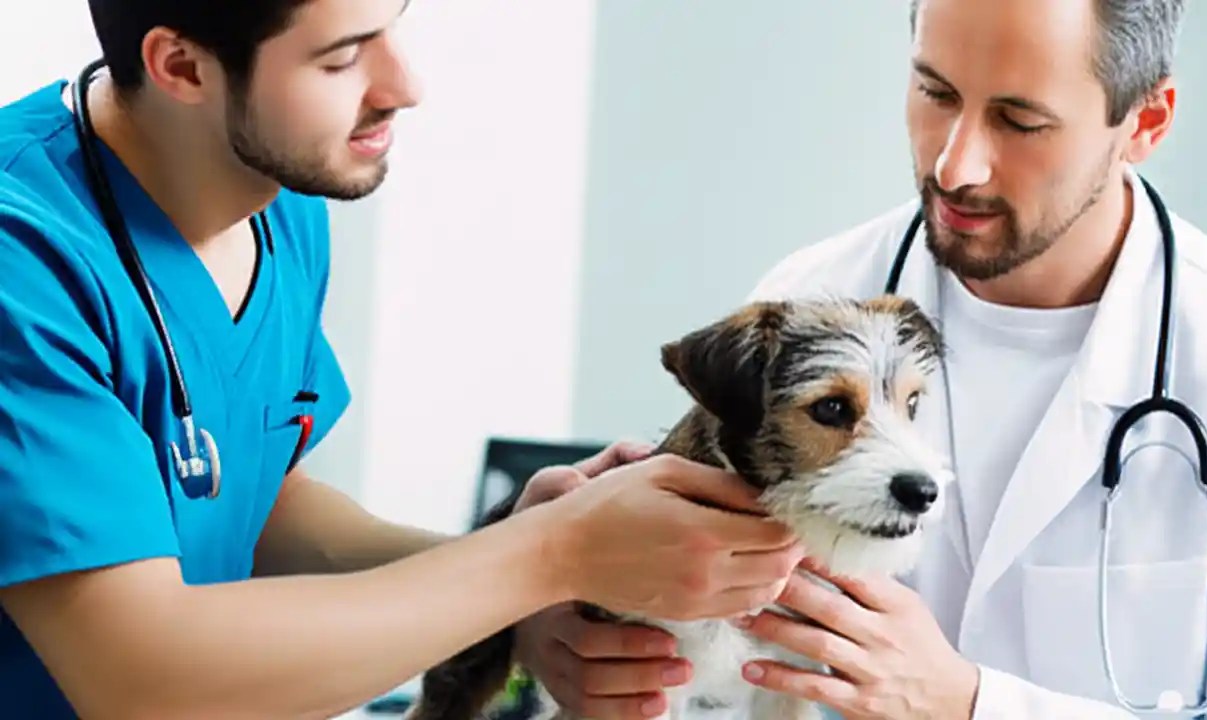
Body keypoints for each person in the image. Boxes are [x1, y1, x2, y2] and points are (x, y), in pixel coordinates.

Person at [0, 1, 806, 718]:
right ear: (181, 66)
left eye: (397, 23)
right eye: (342, 56)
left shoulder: (277, 199)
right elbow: (140, 681)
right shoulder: (23, 261)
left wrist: (532, 574)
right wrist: (548, 556)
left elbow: (257, 504)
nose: (405, 84)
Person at [723, 0, 1207, 717]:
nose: (957, 166)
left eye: (1020, 122)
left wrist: (972, 706)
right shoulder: (806, 305)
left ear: (1145, 122)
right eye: (935, 92)